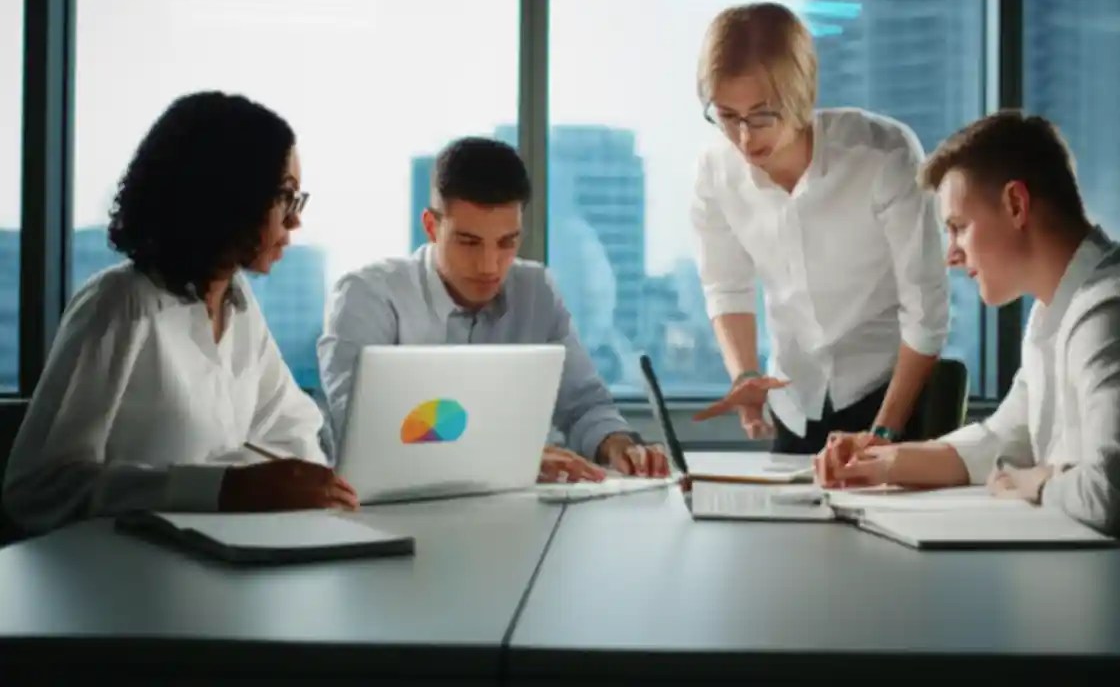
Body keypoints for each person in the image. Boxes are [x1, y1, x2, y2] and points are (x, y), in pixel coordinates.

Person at [816, 109, 1120, 625]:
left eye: (958, 228)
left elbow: (1109, 498)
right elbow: (1001, 439)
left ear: (1016, 204)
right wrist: (884, 459)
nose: (951, 254)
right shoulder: (1056, 310)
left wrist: (1036, 480)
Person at [3, 91, 358, 535]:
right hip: (118, 577)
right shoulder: (120, 305)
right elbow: (38, 489)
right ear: (229, 196)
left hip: (213, 565)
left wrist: (314, 485)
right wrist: (221, 488)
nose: (295, 221)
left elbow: (292, 428)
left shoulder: (239, 306)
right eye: (285, 197)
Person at [317, 136, 670, 482]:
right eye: (468, 242)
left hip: (516, 511)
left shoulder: (536, 292)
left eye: (507, 242)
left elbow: (584, 405)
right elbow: (364, 437)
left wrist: (617, 444)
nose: (489, 265)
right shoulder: (366, 296)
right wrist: (517, 460)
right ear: (430, 226)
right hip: (392, 515)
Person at [687, 2, 950, 455]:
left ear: (801, 97)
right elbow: (727, 288)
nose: (745, 138)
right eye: (728, 117)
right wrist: (746, 376)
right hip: (794, 399)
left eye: (762, 115)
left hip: (889, 394)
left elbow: (926, 312)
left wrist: (882, 434)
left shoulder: (882, 155)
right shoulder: (715, 173)